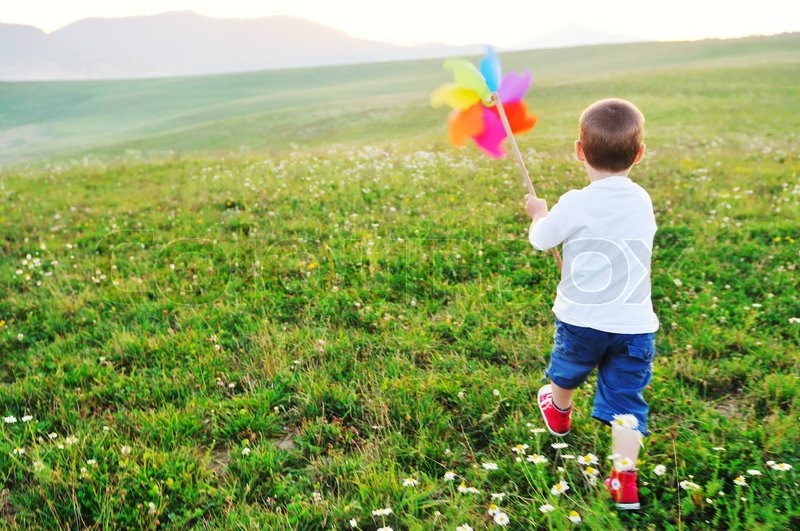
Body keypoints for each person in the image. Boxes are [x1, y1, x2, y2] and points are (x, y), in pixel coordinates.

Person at [524, 98, 659, 510]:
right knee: (626, 403)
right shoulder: (642, 201)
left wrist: (538, 214)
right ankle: (624, 480)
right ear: (639, 153)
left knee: (566, 370)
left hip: (582, 319)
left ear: (579, 150)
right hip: (634, 325)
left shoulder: (576, 201)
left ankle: (560, 410)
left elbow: (542, 239)